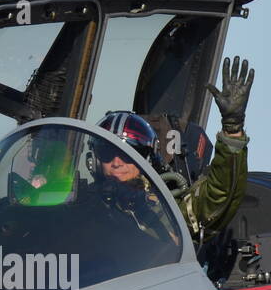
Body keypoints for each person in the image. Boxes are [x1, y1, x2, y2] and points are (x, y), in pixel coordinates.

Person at [96, 55, 254, 249]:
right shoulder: (81, 202)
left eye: (129, 152)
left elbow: (218, 194)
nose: (117, 162)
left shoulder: (166, 210)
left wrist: (232, 128)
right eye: (107, 152)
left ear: (145, 158)